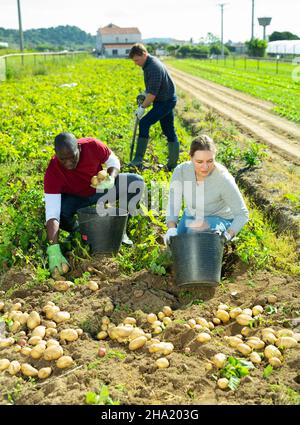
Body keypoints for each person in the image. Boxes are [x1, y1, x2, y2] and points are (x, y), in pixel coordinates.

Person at [44, 132, 144, 275]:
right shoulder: (52, 171)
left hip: (100, 190)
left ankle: (120, 231)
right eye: (63, 159)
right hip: (75, 199)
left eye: (72, 157)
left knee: (135, 182)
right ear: (56, 154)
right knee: (60, 213)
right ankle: (79, 232)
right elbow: (52, 214)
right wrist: (53, 248)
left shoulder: (91, 145)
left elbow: (113, 161)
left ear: (78, 148)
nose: (68, 163)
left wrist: (111, 178)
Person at [164, 135, 249, 244]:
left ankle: (213, 241)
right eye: (199, 162)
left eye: (210, 161)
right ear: (190, 157)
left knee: (195, 235)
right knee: (176, 244)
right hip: (191, 215)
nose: (205, 167)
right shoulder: (181, 171)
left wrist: (228, 235)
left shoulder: (223, 179)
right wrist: (171, 228)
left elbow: (242, 214)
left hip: (217, 218)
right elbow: (173, 203)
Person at [128, 43, 180, 171]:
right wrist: (144, 94)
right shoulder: (148, 64)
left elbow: (152, 94)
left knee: (144, 123)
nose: (135, 63)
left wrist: (142, 108)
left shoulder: (153, 67)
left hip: (165, 101)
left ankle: (138, 160)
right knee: (168, 130)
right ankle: (172, 165)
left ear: (144, 54)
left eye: (137, 60)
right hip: (164, 99)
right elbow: (151, 88)